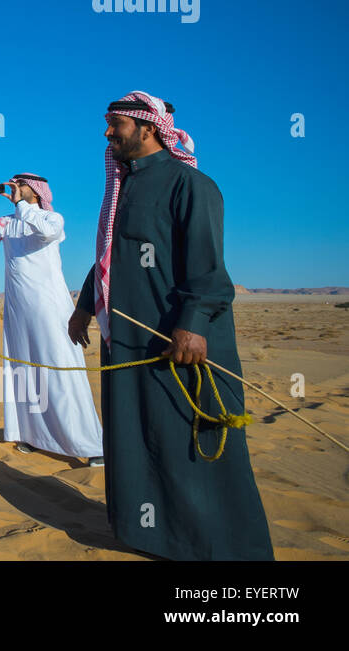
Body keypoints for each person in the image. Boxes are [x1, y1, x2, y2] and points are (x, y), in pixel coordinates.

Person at [69, 91, 272, 560]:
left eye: (115, 123)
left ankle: (219, 547)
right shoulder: (124, 188)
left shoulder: (190, 185)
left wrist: (192, 325)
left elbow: (210, 271)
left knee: (187, 443)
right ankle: (148, 535)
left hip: (178, 341)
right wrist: (84, 306)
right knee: (137, 435)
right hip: (129, 341)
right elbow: (108, 258)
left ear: (146, 127)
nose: (106, 133)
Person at [0, 174, 104, 464]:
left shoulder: (51, 219)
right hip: (17, 308)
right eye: (11, 184)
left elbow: (46, 233)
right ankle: (35, 436)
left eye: (19, 185)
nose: (13, 188)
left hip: (49, 306)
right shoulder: (6, 222)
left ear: (36, 191)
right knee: (24, 371)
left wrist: (22, 205)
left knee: (59, 369)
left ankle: (90, 445)